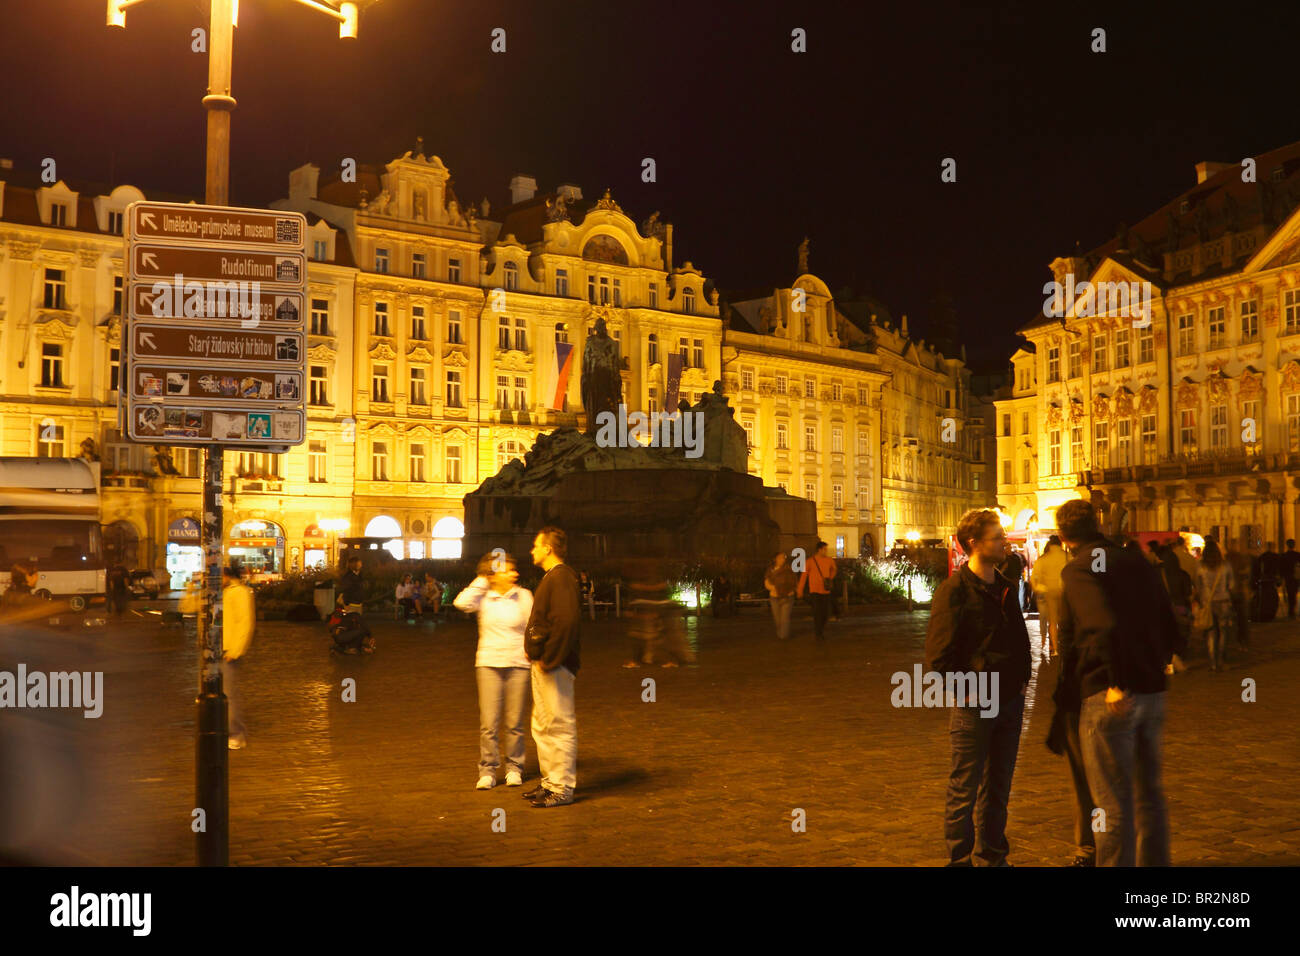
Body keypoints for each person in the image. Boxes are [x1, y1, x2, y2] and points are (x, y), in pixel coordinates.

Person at [1054, 498, 1177, 867]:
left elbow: (1099, 625)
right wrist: (1163, 661)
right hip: (1152, 688)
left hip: (1108, 694)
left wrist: (1114, 680)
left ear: (1063, 536)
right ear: (1099, 526)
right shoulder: (1134, 559)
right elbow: (1166, 615)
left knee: (1111, 801)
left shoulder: (1079, 569)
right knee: (1149, 795)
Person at [924, 509, 1031, 867]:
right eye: (997, 537)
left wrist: (1020, 680)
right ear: (974, 543)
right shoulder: (954, 590)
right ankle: (960, 859)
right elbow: (939, 655)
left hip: (1010, 701)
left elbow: (1018, 640)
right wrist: (967, 691)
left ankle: (994, 855)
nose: (1004, 542)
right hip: (976, 702)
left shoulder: (1004, 585)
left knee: (999, 787)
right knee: (965, 787)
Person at [454, 551, 534, 790]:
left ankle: (514, 768)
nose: (515, 574)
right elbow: (461, 603)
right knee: (489, 722)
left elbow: (533, 626)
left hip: (518, 662)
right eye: (508, 569)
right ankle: (488, 769)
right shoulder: (483, 597)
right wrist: (482, 579)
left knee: (514, 722)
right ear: (495, 574)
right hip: (489, 662)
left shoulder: (524, 596)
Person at [522, 527, 581, 808]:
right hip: (545, 662)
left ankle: (562, 787)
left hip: (553, 665)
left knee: (558, 724)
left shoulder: (561, 577)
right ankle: (550, 782)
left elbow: (566, 622)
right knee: (544, 725)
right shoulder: (555, 577)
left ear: (548, 548)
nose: (532, 550)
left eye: (536, 545)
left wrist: (551, 657)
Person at [221, 565, 255, 750]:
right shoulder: (217, 593)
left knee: (228, 693)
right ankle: (223, 729)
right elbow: (189, 607)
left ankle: (236, 733)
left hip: (228, 651)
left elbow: (245, 623)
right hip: (213, 650)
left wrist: (235, 650)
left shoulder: (239, 592)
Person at [1194, 538, 1234, 672]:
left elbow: (1198, 586)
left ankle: (1212, 663)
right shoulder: (1225, 565)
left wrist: (1201, 600)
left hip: (1208, 603)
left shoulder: (1200, 566)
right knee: (1223, 632)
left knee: (1211, 633)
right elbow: (1231, 585)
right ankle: (1221, 660)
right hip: (1223, 601)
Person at [1031, 535, 1068, 657]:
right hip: (1064, 591)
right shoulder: (1067, 556)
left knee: (1052, 621)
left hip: (1049, 591)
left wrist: (1039, 588)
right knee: (1064, 620)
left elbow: (1034, 578)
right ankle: (1064, 645)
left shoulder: (1043, 559)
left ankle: (1055, 649)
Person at [1156, 549, 1192, 674]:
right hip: (1181, 608)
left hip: (1164, 609)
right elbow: (1188, 593)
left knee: (1165, 636)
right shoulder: (1183, 574)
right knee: (1182, 635)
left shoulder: (1158, 575)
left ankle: (1169, 662)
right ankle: (1178, 657)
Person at [796, 540, 837, 641]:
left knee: (825, 613)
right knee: (817, 612)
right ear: (819, 550)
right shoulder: (810, 561)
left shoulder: (829, 560)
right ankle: (818, 632)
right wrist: (800, 590)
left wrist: (830, 578)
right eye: (824, 549)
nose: (826, 551)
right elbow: (804, 576)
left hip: (825, 590)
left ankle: (820, 630)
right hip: (814, 590)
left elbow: (834, 569)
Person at [764, 552, 798, 642]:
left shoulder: (789, 569)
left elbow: (793, 581)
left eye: (784, 557)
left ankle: (783, 636)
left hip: (787, 596)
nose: (782, 559)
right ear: (775, 559)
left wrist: (789, 589)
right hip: (774, 596)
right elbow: (767, 582)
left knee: (784, 618)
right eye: (780, 557)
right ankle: (781, 633)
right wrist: (774, 588)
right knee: (777, 618)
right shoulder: (770, 570)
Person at [1280, 539, 1300, 619]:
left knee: (1289, 593)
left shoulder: (1284, 556)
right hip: (1296, 577)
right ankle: (1292, 610)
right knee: (1294, 593)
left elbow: (1281, 568)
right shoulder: (1297, 555)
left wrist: (1281, 577)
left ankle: (1291, 610)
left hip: (1288, 577)